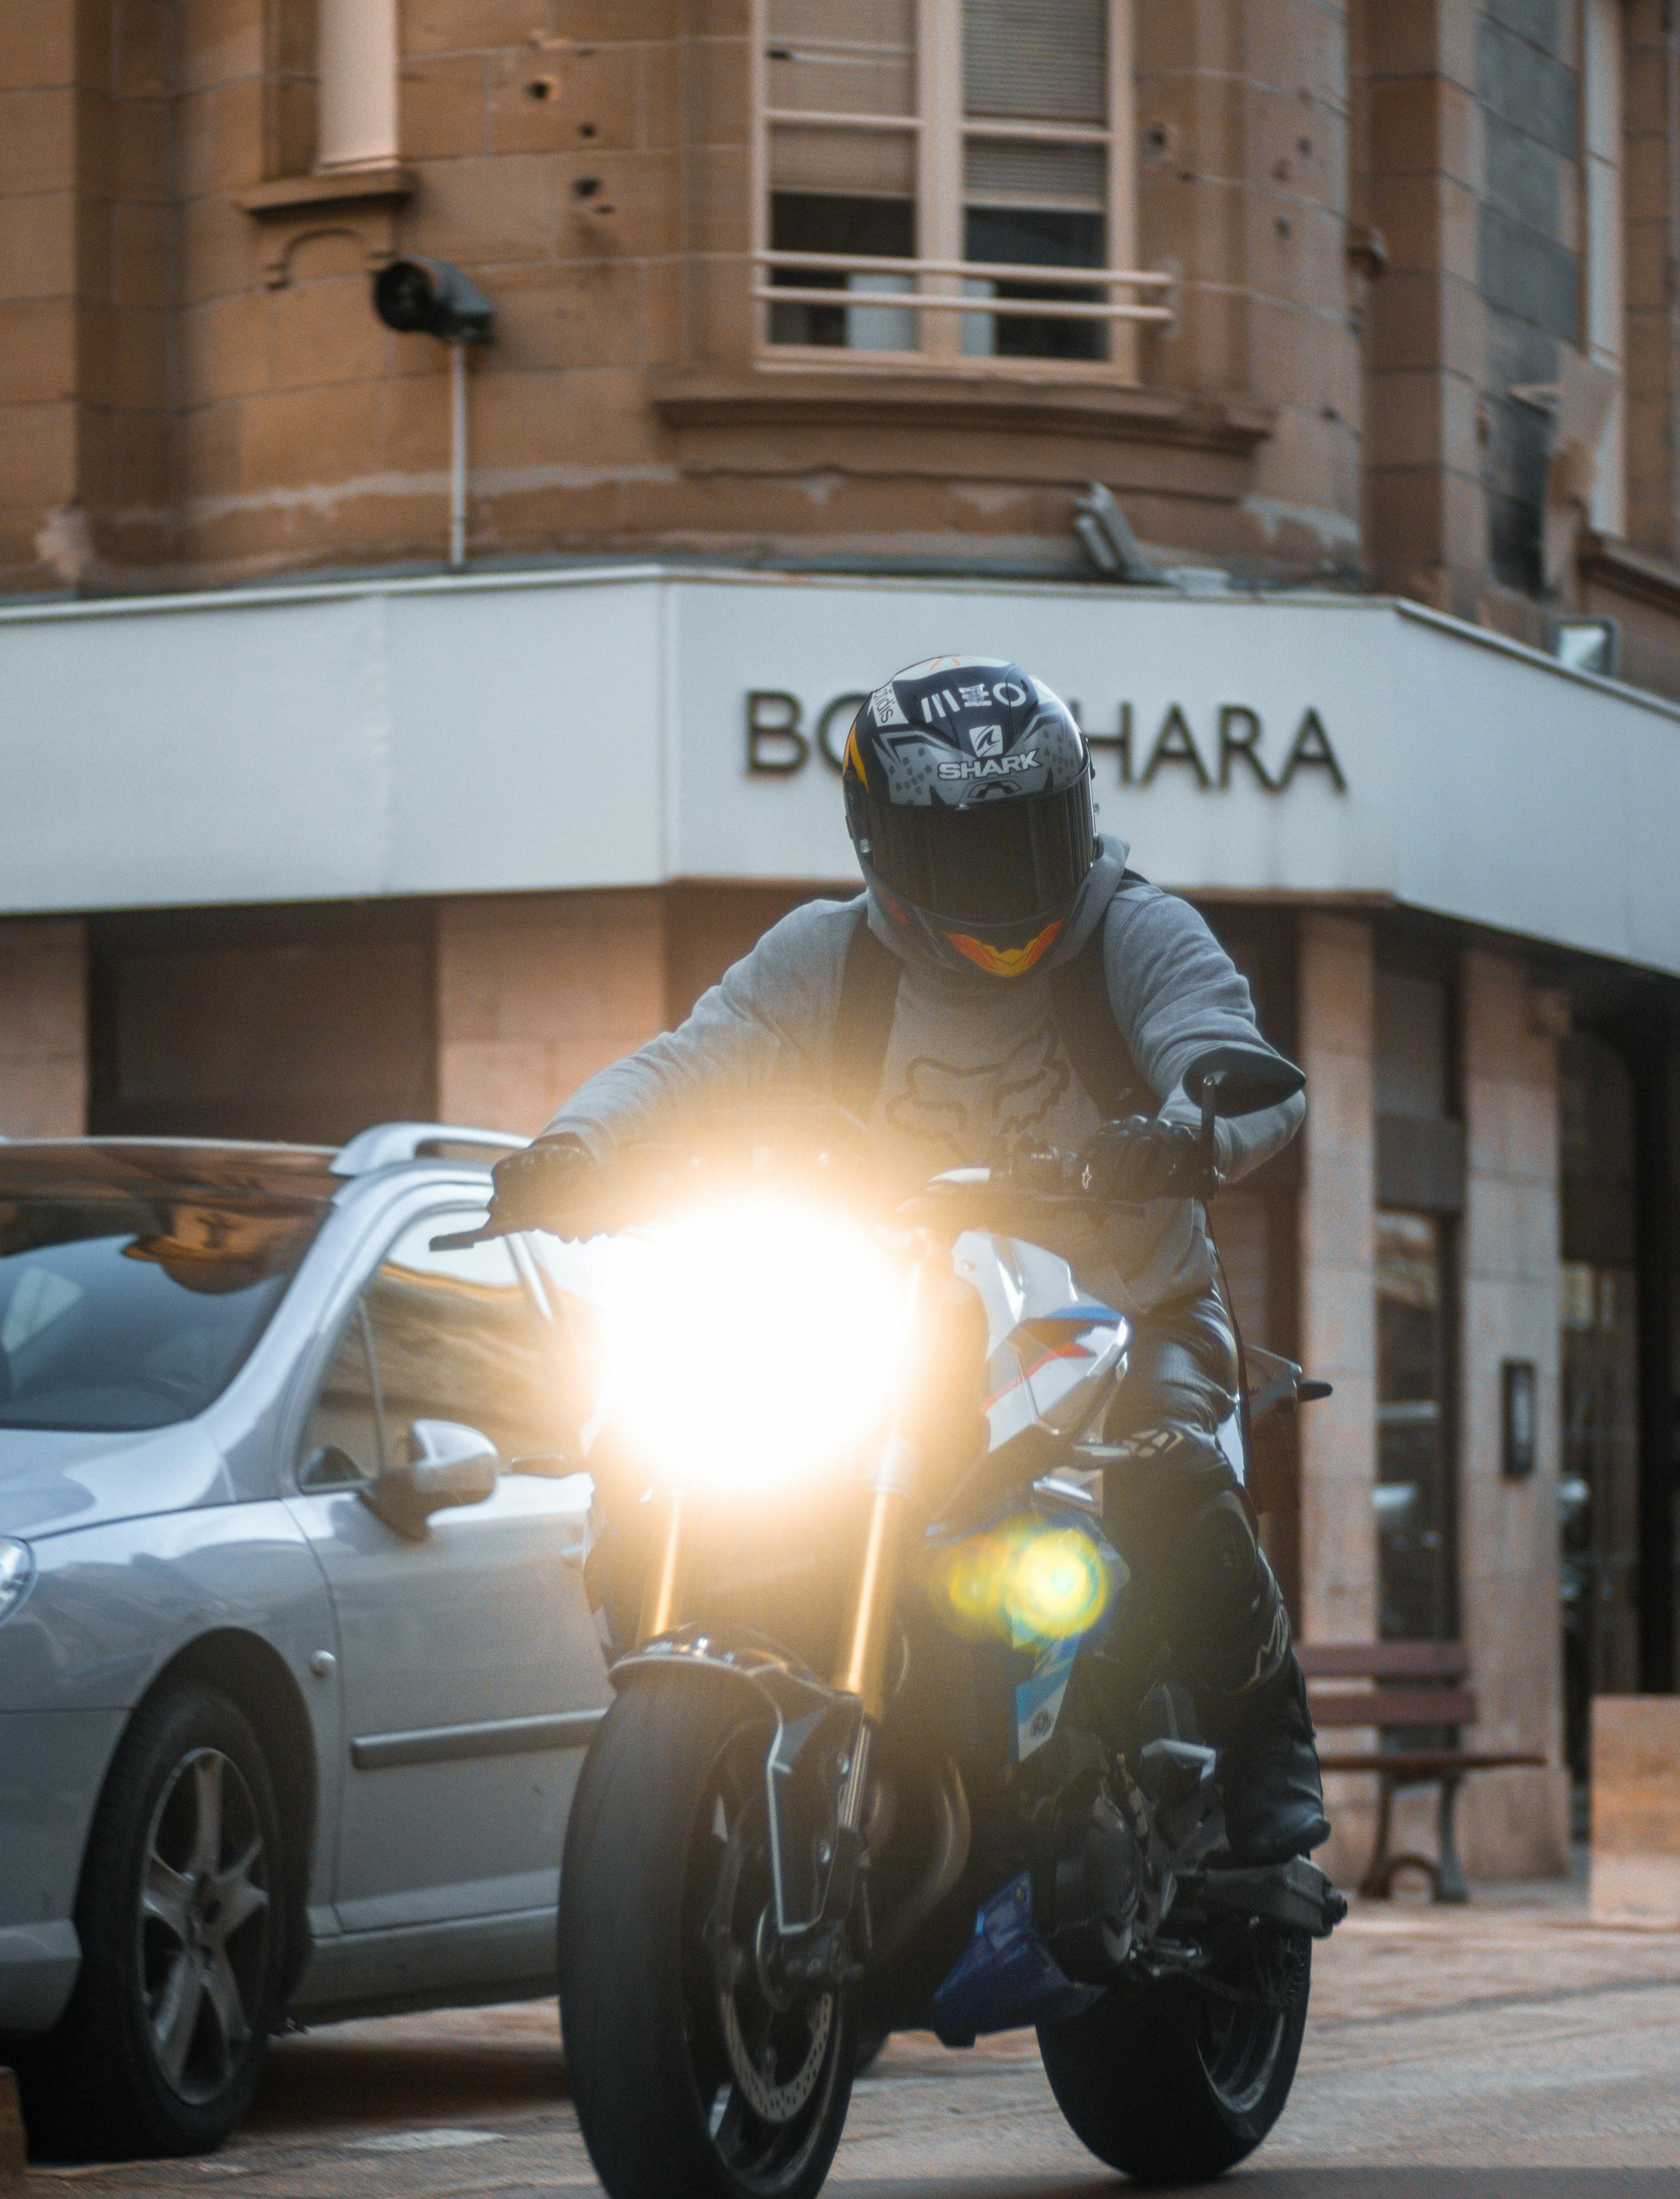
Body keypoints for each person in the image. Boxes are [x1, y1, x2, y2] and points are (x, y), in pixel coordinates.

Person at [487, 652, 1328, 1868]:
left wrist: (1191, 1127)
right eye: (961, 847)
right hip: (890, 1320)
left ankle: (1265, 1748)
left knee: (1166, 1477)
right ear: (878, 839)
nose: (1001, 878)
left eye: (1028, 833)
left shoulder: (1134, 932)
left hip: (1122, 1311)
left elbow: (1221, 1049)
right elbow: (692, 1060)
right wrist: (569, 1151)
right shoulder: (819, 958)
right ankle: (708, 1716)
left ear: (1076, 810)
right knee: (658, 1440)